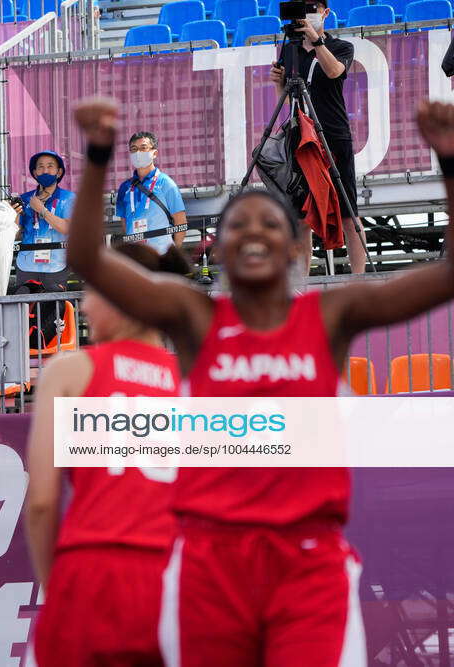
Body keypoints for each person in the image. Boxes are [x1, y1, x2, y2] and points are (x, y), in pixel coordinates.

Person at [67, 97, 454, 667]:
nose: (252, 232)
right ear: (218, 248)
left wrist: (448, 159)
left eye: (268, 222)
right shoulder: (197, 319)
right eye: (236, 224)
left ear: (297, 246)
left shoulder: (329, 318)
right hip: (209, 562)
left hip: (307, 561)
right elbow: (86, 259)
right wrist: (99, 154)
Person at [26, 242, 188, 667]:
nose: (82, 307)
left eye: (93, 292)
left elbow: (42, 503)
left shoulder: (70, 370)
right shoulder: (194, 381)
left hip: (92, 570)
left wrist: (55, 586)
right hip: (179, 580)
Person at [271, 1, 365, 274]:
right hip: (301, 138)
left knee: (348, 212)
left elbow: (336, 71)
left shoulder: (340, 47)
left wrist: (316, 39)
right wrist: (278, 84)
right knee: (301, 216)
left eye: (314, 7)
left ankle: (358, 278)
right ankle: (302, 282)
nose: (308, 13)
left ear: (325, 12)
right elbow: (289, 103)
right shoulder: (289, 50)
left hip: (333, 135)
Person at [10, 151, 74, 292]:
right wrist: (14, 215)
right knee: (26, 309)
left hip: (56, 264)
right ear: (34, 172)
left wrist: (42, 211)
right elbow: (15, 235)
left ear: (59, 172)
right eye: (40, 167)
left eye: (50, 166)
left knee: (51, 310)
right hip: (27, 264)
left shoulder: (69, 198)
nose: (45, 170)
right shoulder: (24, 199)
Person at [115, 131, 187, 255]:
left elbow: (181, 222)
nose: (138, 153)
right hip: (137, 258)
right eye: (134, 149)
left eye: (143, 148)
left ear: (154, 153)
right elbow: (125, 224)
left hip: (162, 256)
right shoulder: (124, 188)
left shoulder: (166, 183)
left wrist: (172, 256)